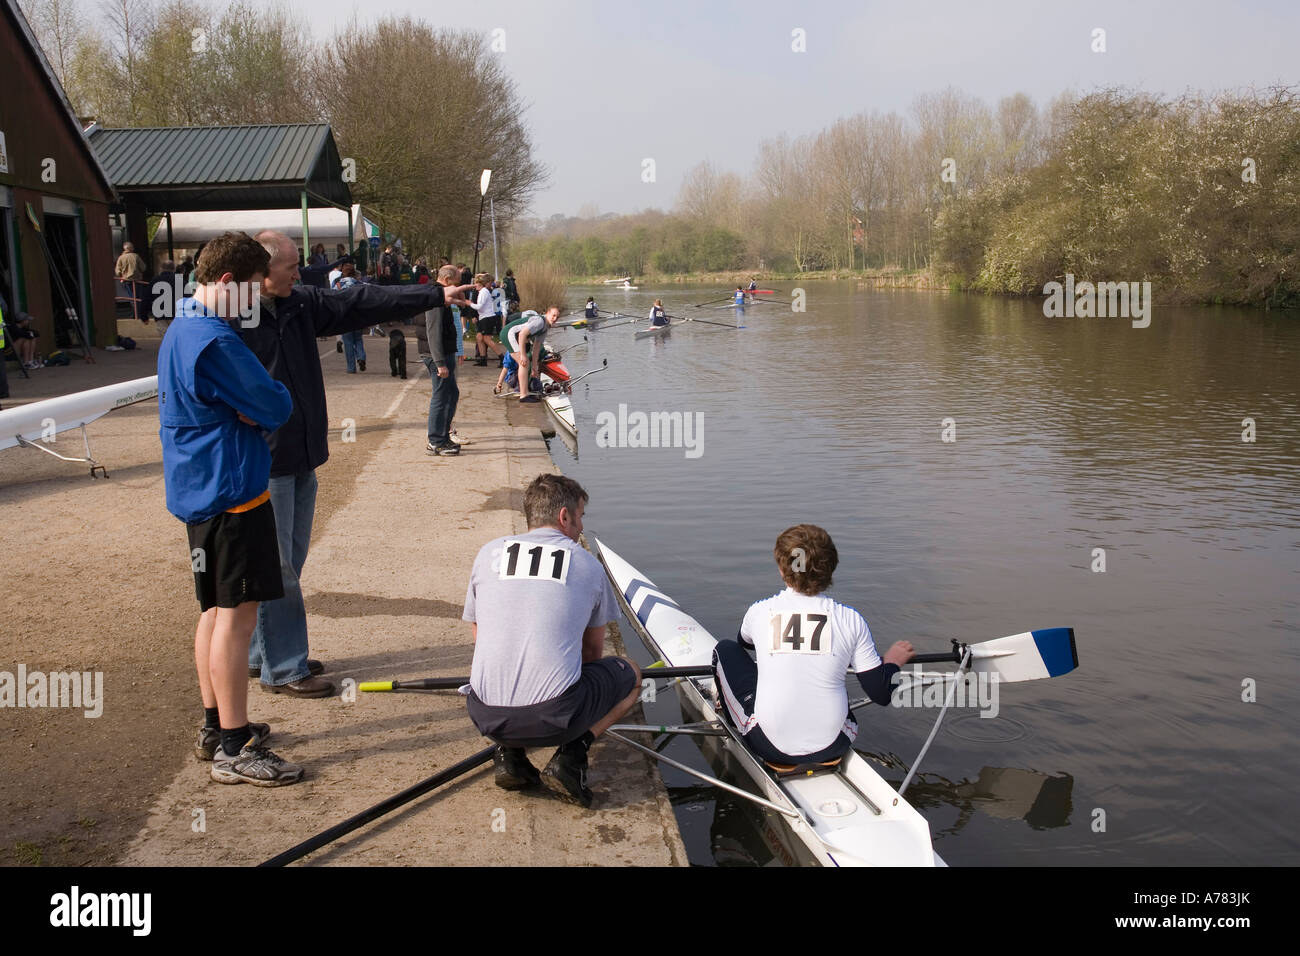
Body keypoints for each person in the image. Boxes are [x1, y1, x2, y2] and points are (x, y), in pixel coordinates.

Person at [239, 230, 473, 697]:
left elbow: (363, 301)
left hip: (302, 453)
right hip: (264, 459)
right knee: (278, 567)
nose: (298, 271)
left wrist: (432, 292)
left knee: (290, 560)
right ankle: (284, 668)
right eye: (289, 265)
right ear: (262, 271)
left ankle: (261, 651)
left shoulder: (298, 303)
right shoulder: (232, 319)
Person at [156, 230, 302, 786]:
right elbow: (274, 403)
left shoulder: (181, 326)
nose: (260, 295)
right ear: (227, 283)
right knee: (238, 620)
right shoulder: (215, 340)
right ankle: (236, 748)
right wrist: (257, 408)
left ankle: (217, 725)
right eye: (251, 286)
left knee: (214, 612)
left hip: (198, 491)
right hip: (234, 493)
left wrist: (249, 409)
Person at [463, 474, 641, 806]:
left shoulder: (487, 553)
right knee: (630, 674)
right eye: (581, 517)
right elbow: (591, 654)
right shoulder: (587, 565)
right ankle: (571, 756)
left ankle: (509, 754)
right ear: (564, 516)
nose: (581, 528)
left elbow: (480, 635)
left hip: (485, 714)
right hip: (557, 718)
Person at [713, 524, 915, 769]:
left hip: (767, 745)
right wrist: (892, 662)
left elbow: (743, 644)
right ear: (830, 570)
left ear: (781, 570)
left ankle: (727, 711)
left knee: (724, 650)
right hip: (834, 745)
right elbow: (882, 694)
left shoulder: (759, 611)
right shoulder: (851, 620)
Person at [419, 264, 465, 456]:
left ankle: (443, 437)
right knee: (441, 396)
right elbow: (433, 330)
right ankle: (435, 441)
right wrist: (439, 362)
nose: (457, 288)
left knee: (451, 393)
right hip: (436, 355)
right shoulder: (436, 298)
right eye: (456, 284)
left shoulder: (440, 296)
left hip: (444, 352)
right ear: (447, 281)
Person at [506, 306, 559, 402]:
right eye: (553, 315)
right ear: (547, 313)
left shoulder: (545, 328)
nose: (555, 319)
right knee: (524, 363)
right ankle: (523, 395)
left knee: (526, 363)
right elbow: (522, 334)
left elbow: (536, 348)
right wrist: (522, 354)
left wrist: (535, 368)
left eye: (557, 317)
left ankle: (525, 392)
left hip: (515, 336)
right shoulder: (540, 322)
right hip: (509, 333)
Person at [335, 264, 366, 372]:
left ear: (343, 273)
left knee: (347, 342)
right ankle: (361, 357)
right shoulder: (359, 284)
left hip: (345, 317)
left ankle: (351, 367)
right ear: (353, 273)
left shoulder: (338, 285)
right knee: (358, 339)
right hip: (357, 315)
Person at [471, 274, 505, 367]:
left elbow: (479, 306)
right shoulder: (483, 291)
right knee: (479, 337)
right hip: (483, 318)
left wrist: (468, 303)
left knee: (487, 339)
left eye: (476, 284)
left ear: (481, 284)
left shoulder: (484, 292)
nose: (475, 286)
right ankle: (483, 359)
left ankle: (503, 358)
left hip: (488, 318)